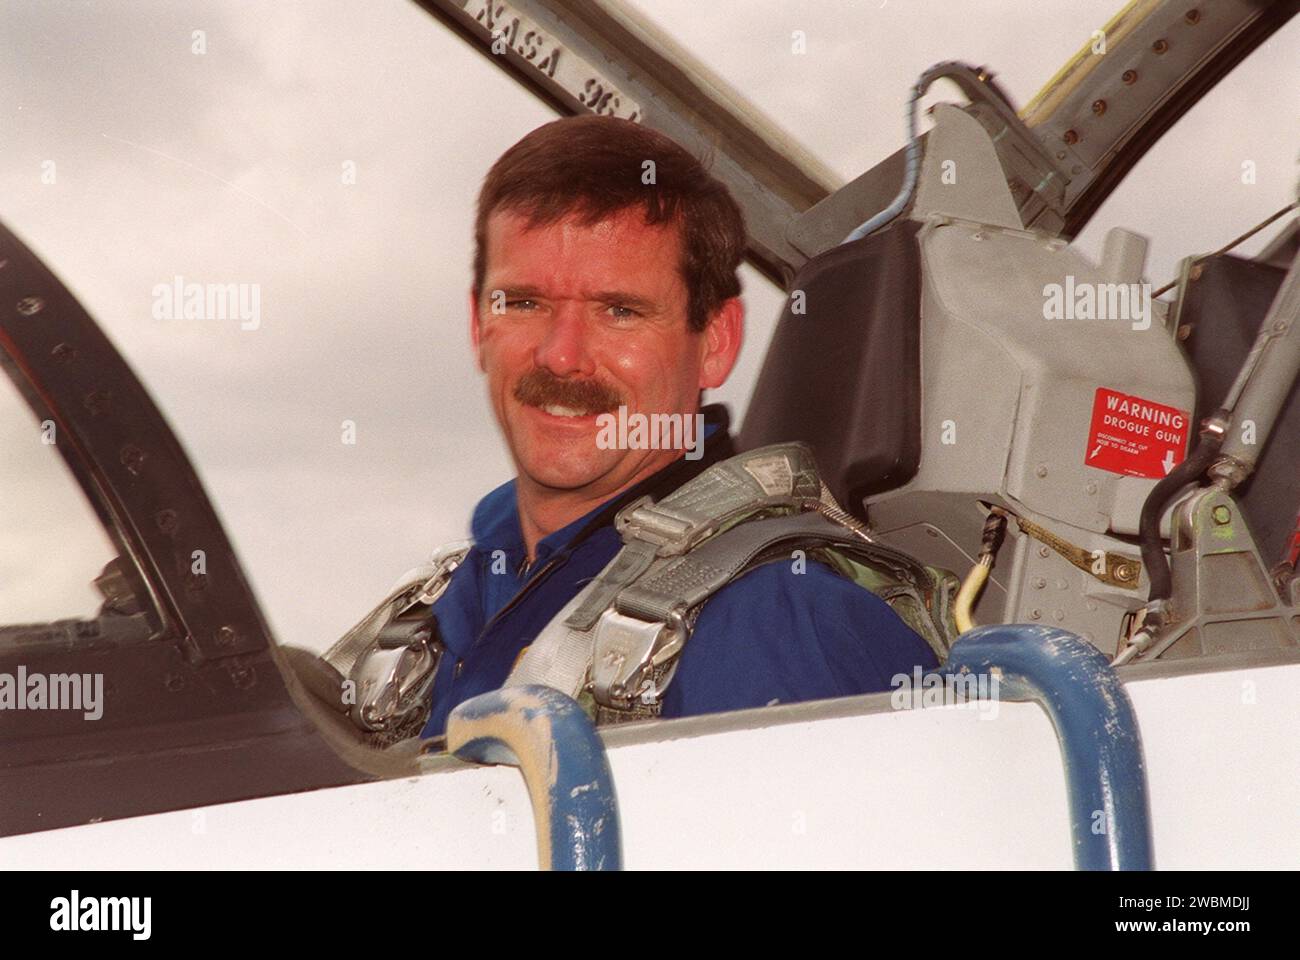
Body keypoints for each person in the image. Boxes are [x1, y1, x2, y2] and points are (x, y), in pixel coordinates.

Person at [419, 114, 938, 739]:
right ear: (479, 325)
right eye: (526, 303)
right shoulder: (436, 616)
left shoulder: (777, 623)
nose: (561, 355)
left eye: (619, 311)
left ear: (716, 342)